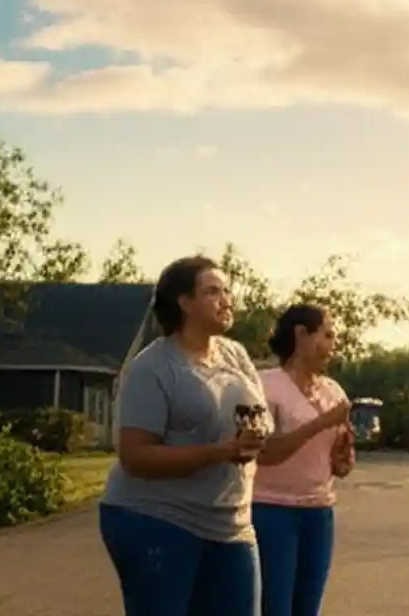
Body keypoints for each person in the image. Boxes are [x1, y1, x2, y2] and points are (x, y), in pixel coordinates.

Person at [100, 256, 272, 616]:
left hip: (231, 523)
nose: (226, 300)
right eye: (213, 292)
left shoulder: (235, 355)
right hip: (157, 519)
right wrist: (219, 452)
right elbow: (135, 457)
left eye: (227, 291)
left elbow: (261, 421)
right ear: (185, 302)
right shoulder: (154, 367)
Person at [251, 304, 355, 616]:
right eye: (327, 335)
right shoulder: (265, 386)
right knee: (275, 605)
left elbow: (339, 464)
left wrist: (344, 456)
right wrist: (321, 423)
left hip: (318, 511)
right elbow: (265, 453)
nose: (332, 346)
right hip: (271, 509)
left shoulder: (333, 391)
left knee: (307, 607)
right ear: (301, 335)